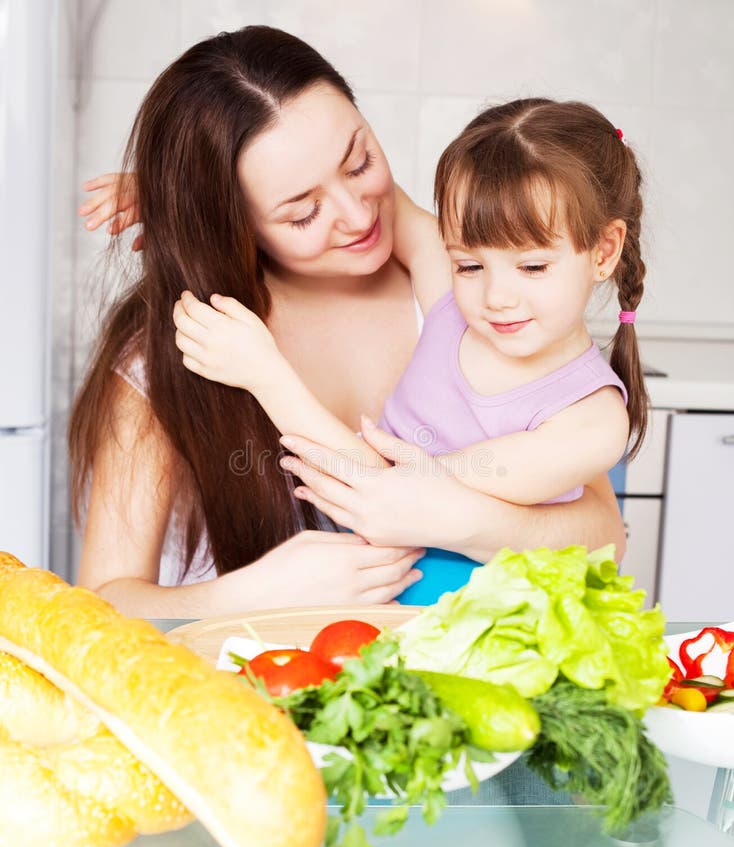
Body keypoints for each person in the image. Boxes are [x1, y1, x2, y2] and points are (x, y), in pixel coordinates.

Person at [73, 26, 625, 618]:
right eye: (303, 211)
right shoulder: (195, 347)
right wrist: (251, 595)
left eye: (358, 161)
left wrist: (466, 519)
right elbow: (101, 604)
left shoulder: (474, 289)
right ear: (236, 222)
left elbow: (603, 537)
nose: (358, 215)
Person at [171, 98, 642, 604]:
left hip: (498, 637)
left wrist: (264, 374)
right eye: (469, 265)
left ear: (605, 251)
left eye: (531, 267)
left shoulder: (593, 420)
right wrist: (191, 190)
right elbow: (358, 196)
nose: (496, 297)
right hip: (383, 617)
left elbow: (395, 492)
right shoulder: (447, 292)